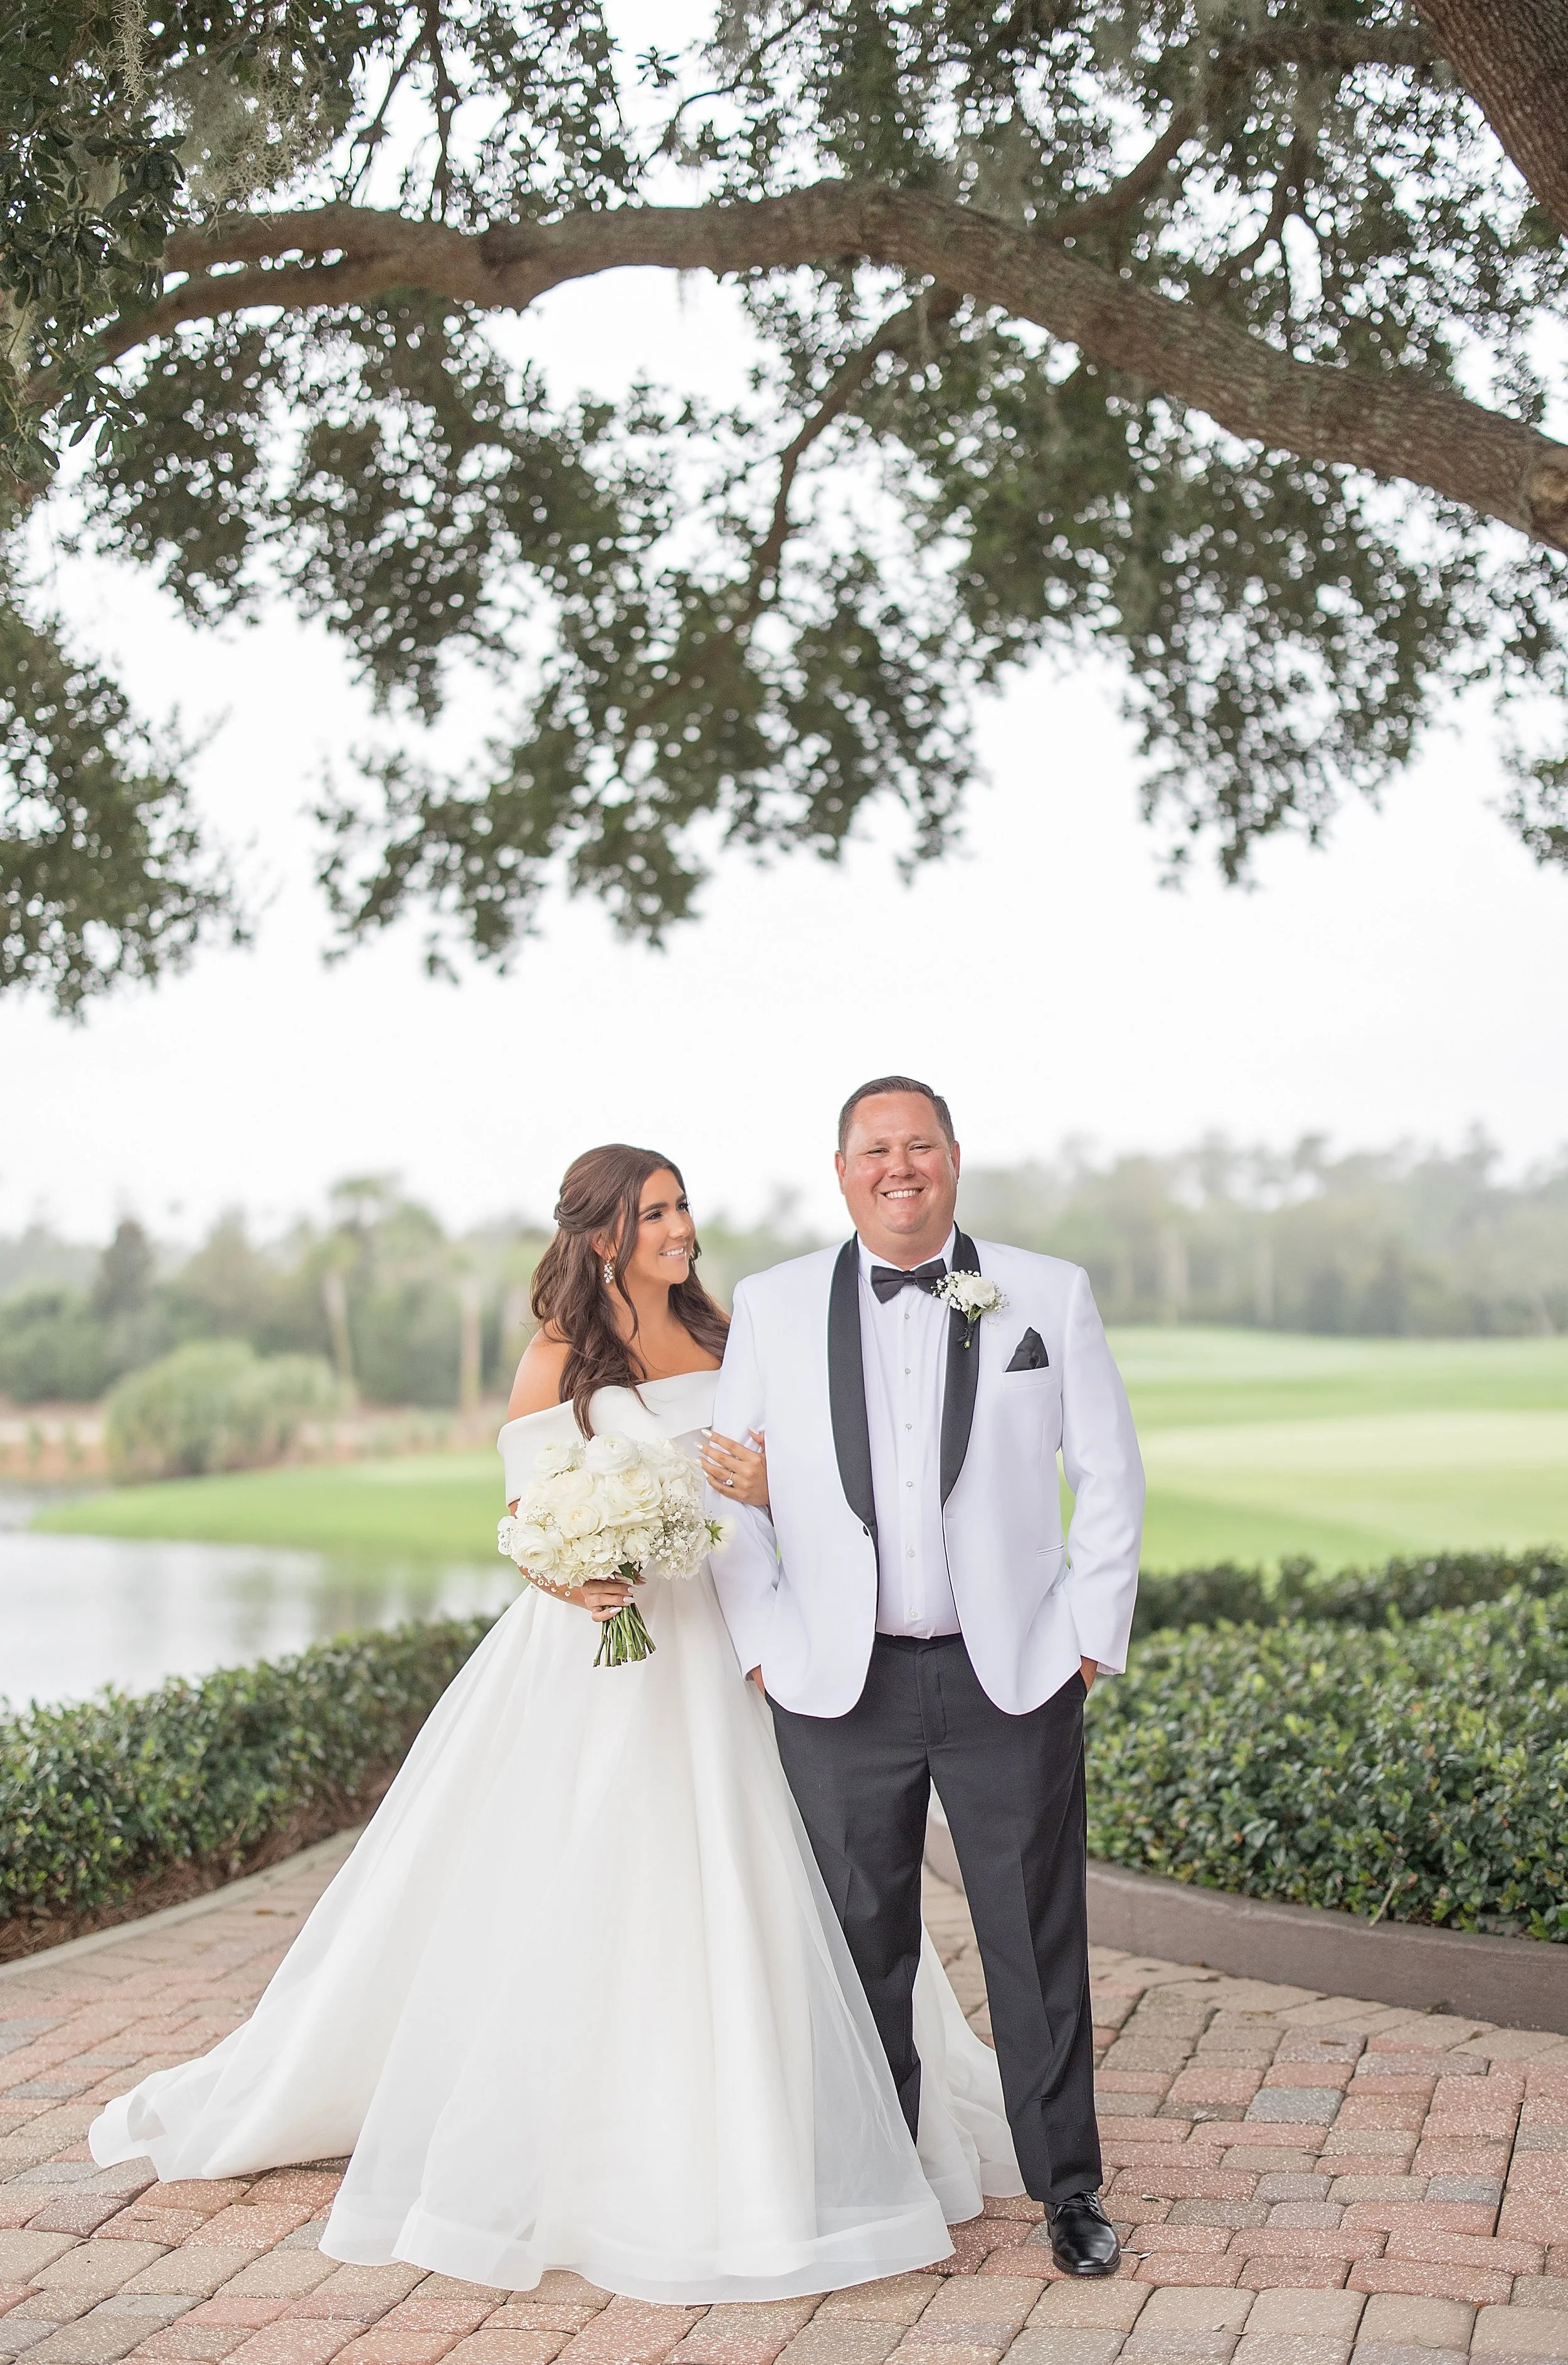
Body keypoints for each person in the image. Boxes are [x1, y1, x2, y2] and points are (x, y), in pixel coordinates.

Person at [90, 1143, 1022, 2302]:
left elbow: (798, 1483)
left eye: (685, 1206)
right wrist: (581, 1574)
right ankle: (615, 2134)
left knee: (781, 1876)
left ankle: (788, 2103)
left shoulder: (731, 1338)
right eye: (659, 1213)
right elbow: (531, 1523)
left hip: (734, 1641)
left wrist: (765, 1496)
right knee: (610, 1875)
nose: (683, 1227)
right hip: (611, 1655)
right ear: (603, 1238)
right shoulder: (558, 1360)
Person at [708, 1080, 1144, 2278]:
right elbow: (725, 1487)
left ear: (953, 1158)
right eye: (875, 1149)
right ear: (841, 1168)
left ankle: (1068, 2190)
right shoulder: (775, 1302)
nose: (900, 1166)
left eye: (920, 1145)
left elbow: (1108, 1472)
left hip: (1012, 1676)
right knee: (861, 1943)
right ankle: (870, 2183)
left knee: (1034, 1934)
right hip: (837, 1684)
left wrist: (1086, 1634)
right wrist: (765, 1644)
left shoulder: (1044, 1292)